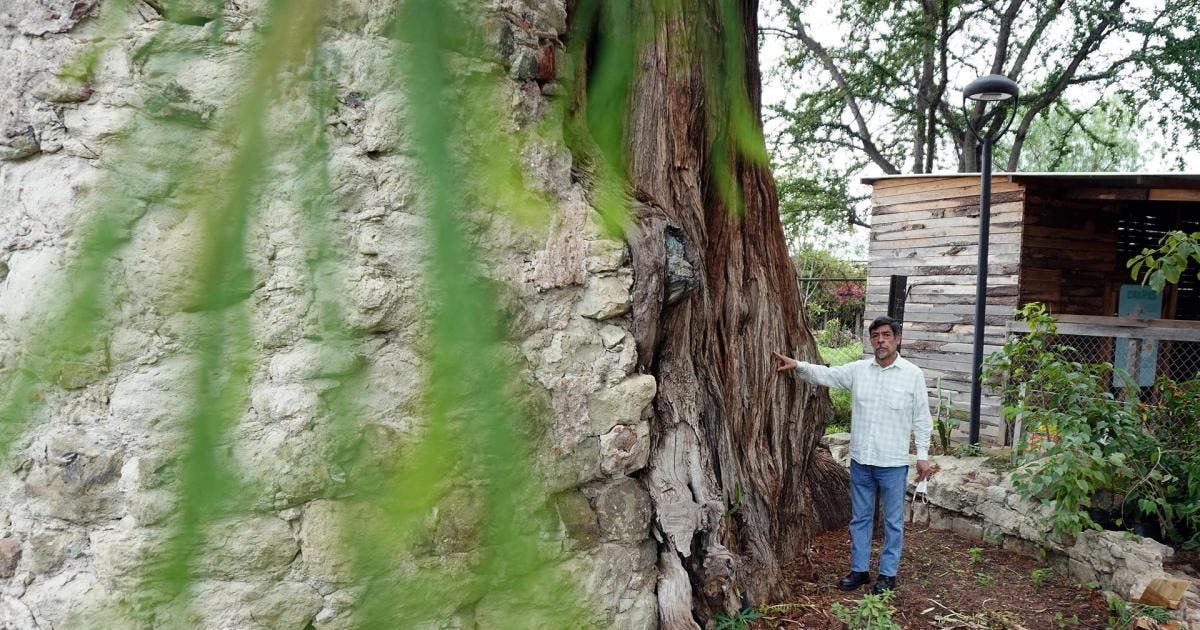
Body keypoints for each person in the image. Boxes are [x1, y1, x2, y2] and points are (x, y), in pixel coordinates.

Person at [772, 316, 932, 595]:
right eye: (875, 336)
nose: (880, 340)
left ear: (897, 339)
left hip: (892, 464)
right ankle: (859, 571)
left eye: (885, 335)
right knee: (860, 518)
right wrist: (798, 366)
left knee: (893, 522)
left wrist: (923, 455)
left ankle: (887, 575)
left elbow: (922, 418)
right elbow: (828, 375)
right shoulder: (859, 370)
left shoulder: (912, 374)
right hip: (862, 462)